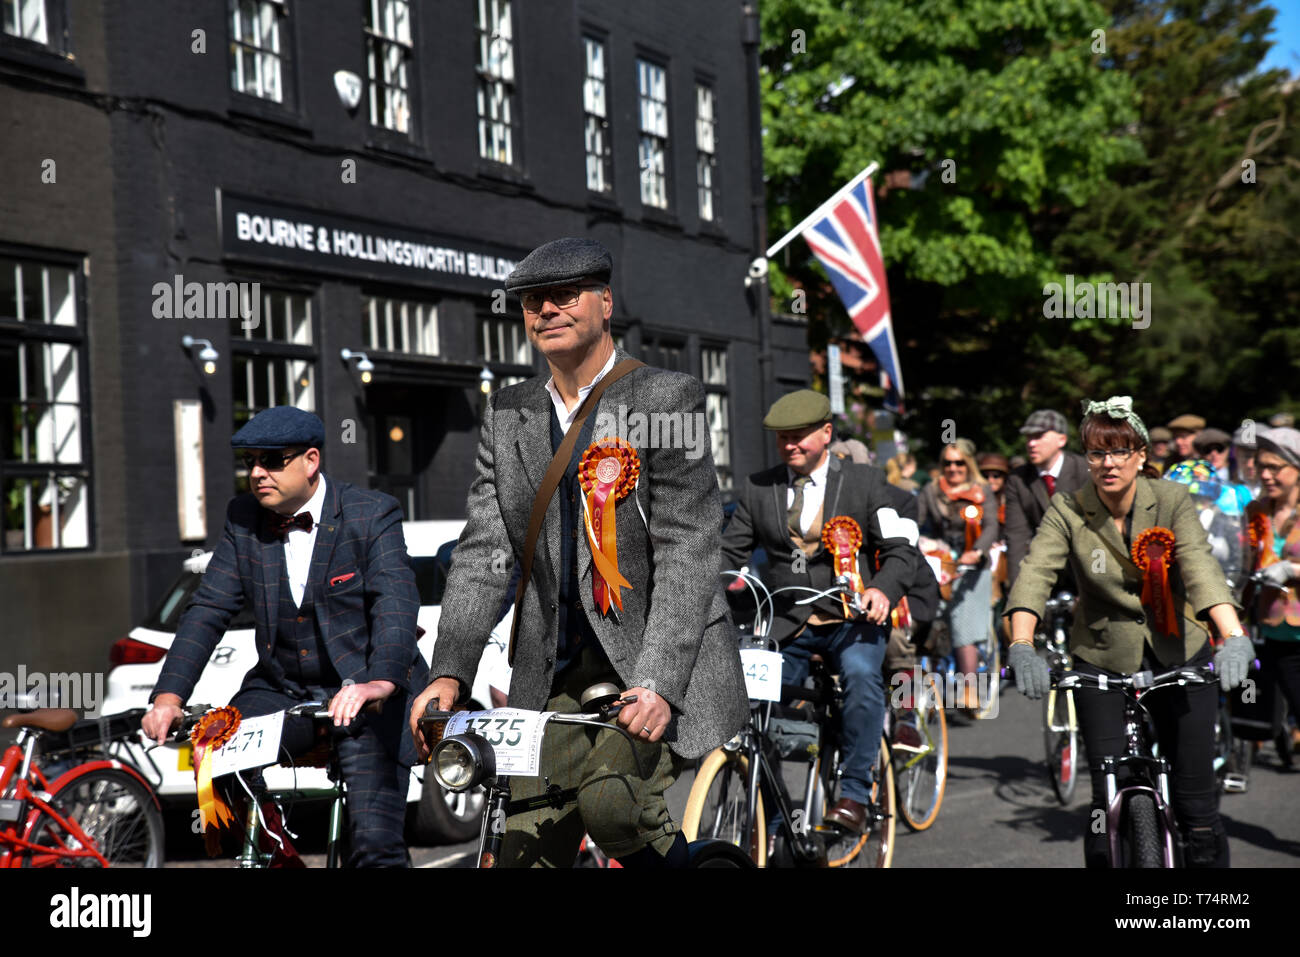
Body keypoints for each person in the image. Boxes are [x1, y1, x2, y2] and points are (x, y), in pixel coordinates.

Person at [408, 237, 748, 868]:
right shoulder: (508, 413)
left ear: (606, 303)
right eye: (533, 301)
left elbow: (689, 548)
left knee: (614, 807)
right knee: (521, 853)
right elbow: (486, 554)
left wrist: (657, 684)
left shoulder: (664, 400)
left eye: (565, 296)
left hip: (660, 666)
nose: (546, 310)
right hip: (554, 676)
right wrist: (448, 669)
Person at [141, 407, 426, 867]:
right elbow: (209, 609)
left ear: (310, 461)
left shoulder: (371, 513)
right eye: (250, 461)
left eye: (272, 461)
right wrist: (168, 697)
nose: (257, 473)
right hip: (282, 687)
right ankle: (279, 858)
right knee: (213, 760)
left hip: (366, 687)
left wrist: (381, 682)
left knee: (375, 846)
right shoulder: (243, 518)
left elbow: (396, 603)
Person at [1006, 396, 1250, 868]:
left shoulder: (1173, 501)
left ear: (1141, 456)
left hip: (1180, 653)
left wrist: (1234, 635)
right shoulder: (1068, 508)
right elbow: (1035, 573)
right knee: (1105, 801)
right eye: (1097, 452)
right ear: (1086, 458)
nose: (1108, 463)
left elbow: (1201, 569)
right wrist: (1021, 644)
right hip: (1101, 657)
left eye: (1121, 451)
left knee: (1196, 805)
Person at [720, 390, 918, 832]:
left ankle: (853, 794)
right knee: (752, 708)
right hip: (786, 623)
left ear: (826, 433)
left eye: (799, 437)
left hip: (853, 620)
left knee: (863, 676)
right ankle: (775, 817)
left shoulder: (865, 483)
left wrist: (883, 591)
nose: (790, 445)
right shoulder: (759, 487)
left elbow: (901, 550)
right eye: (782, 438)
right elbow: (727, 553)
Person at [917, 441, 999, 708]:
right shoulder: (931, 491)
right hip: (942, 563)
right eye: (948, 463)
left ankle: (970, 688)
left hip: (972, 566)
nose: (953, 468)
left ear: (969, 464)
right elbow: (916, 523)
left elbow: (990, 527)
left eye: (959, 463)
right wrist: (922, 542)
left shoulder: (982, 490)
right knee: (927, 615)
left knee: (964, 624)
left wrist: (977, 551)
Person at [1241, 427, 1300, 754]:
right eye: (1261, 466)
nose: (1264, 474)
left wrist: (1292, 570)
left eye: (1275, 467)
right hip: (1270, 634)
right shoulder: (1256, 511)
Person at [1003, 409, 1090, 587]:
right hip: (1041, 567)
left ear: (1062, 439)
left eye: (1038, 436)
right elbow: (1016, 536)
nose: (1031, 443)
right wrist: (1018, 591)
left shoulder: (1085, 471)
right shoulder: (1017, 479)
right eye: (1028, 437)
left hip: (1085, 567)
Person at [977, 452, 1011, 600]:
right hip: (982, 553)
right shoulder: (975, 500)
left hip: (1007, 554)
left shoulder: (1011, 500)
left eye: (996, 476)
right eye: (985, 476)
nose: (991, 480)